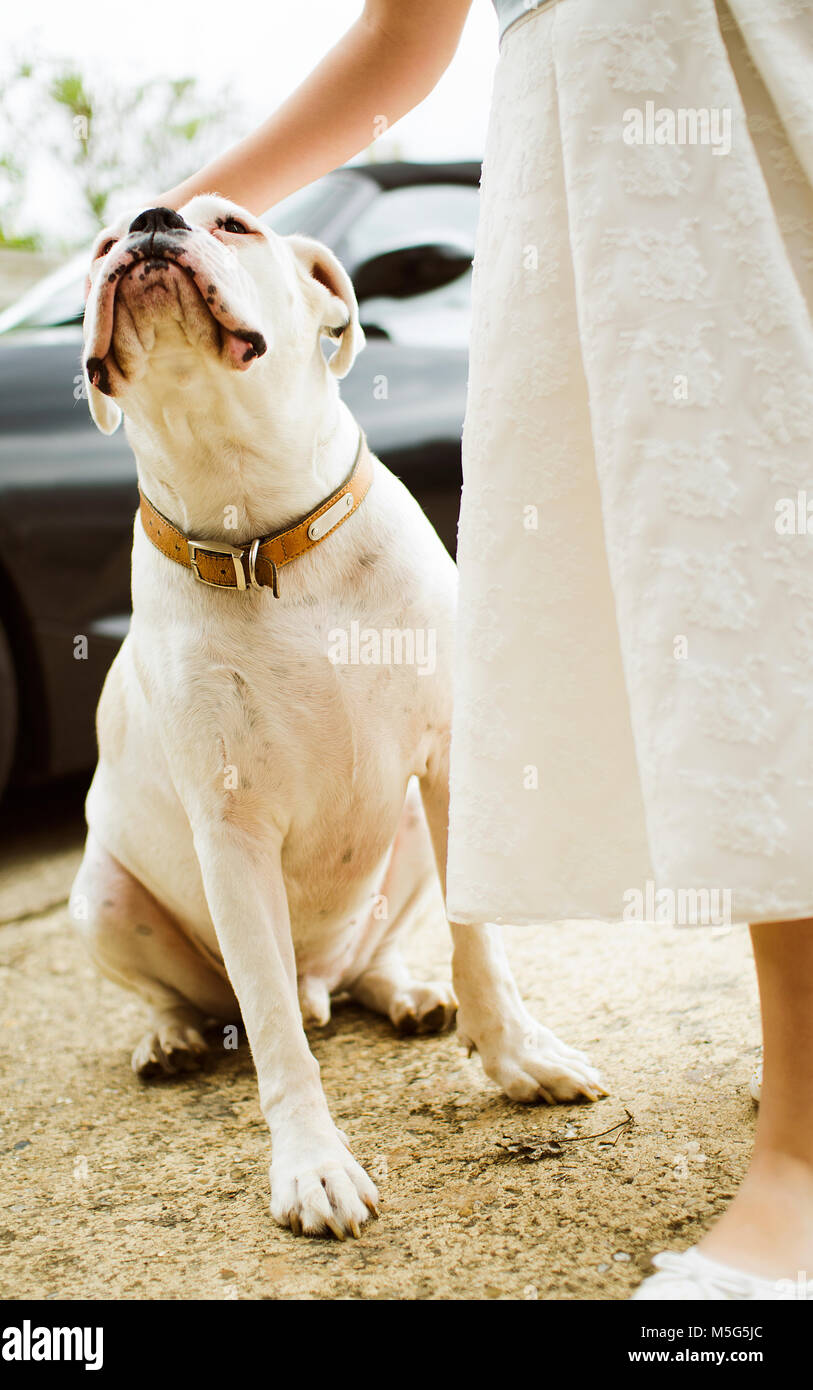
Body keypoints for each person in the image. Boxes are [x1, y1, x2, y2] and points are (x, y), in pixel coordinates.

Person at [121, 0, 813, 1298]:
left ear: (326, 314)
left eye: (231, 240)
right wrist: (167, 225)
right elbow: (405, 33)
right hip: (619, 131)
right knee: (749, 586)